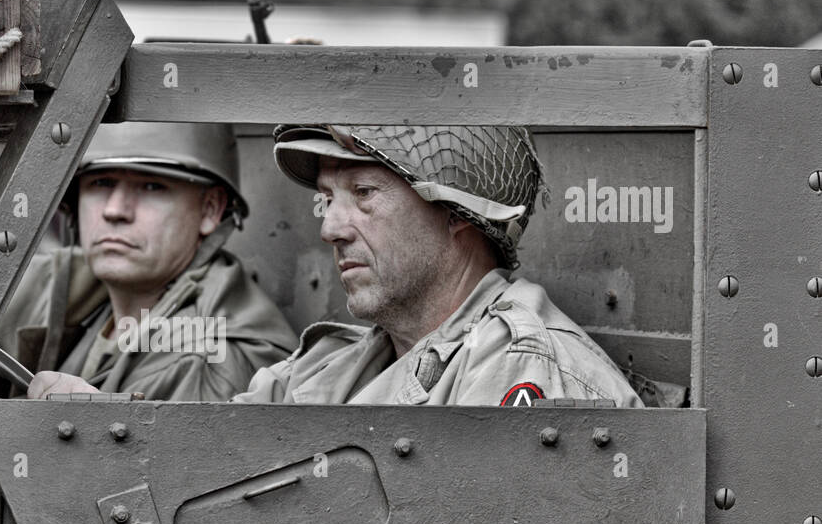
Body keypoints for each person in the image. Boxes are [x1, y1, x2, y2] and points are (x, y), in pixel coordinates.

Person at [229, 124, 644, 407]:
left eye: (364, 192)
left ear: (456, 212)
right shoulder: (324, 367)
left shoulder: (522, 364)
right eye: (327, 198)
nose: (330, 228)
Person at [5, 122, 297, 401]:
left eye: (151, 186)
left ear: (210, 209)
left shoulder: (211, 360)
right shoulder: (85, 292)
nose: (115, 210)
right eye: (101, 182)